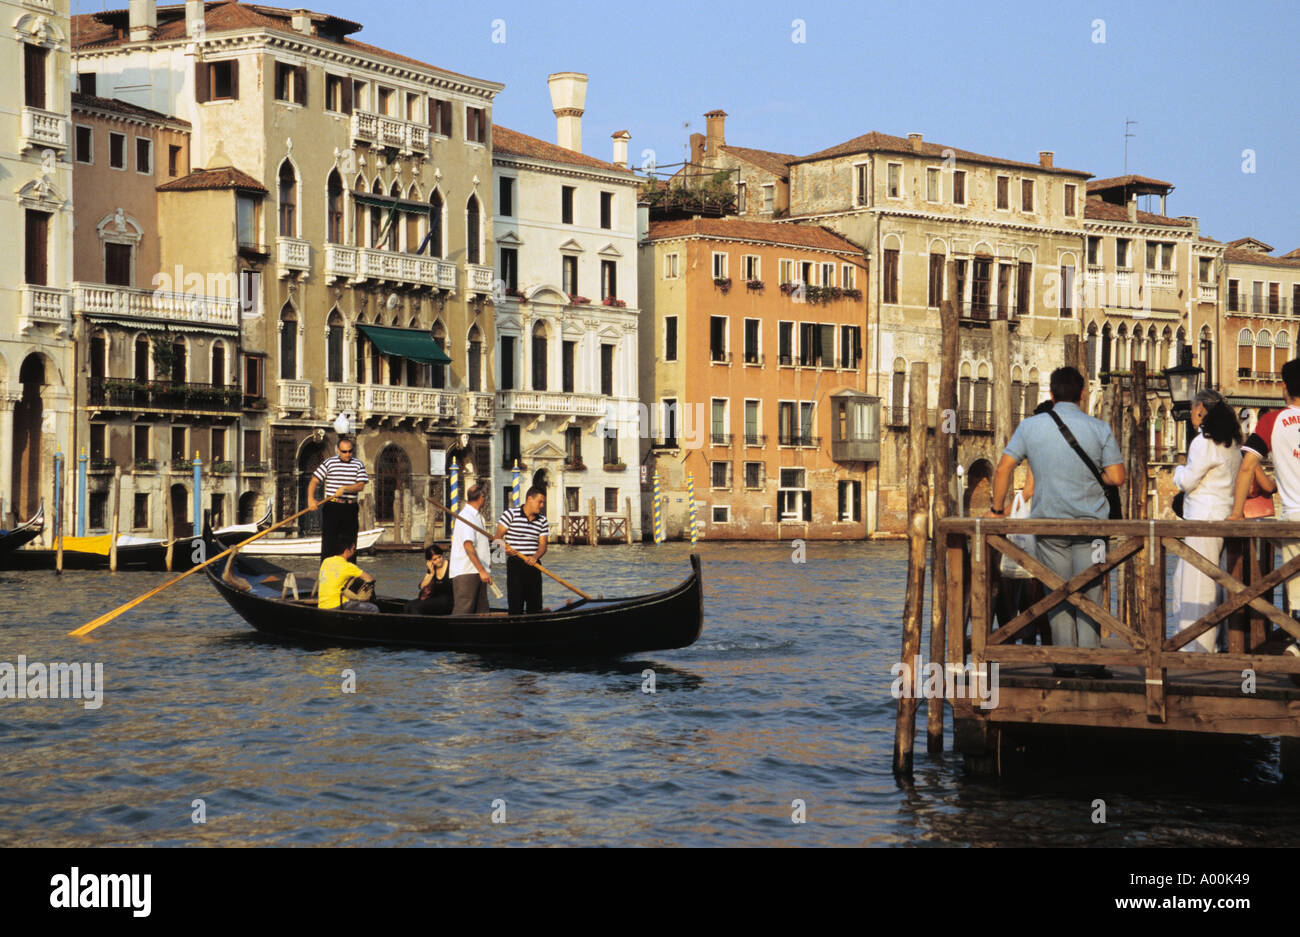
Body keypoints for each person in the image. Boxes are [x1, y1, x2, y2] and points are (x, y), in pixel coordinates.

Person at [990, 366, 1125, 677]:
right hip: (1093, 528)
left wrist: (998, 511)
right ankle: (1090, 663)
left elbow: (1003, 469)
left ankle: (1064, 662)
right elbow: (1117, 477)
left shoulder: (1030, 427)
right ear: (1082, 395)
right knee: (1089, 591)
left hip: (1049, 527)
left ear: (1050, 395)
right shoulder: (1100, 427)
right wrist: (1098, 476)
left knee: (1058, 592)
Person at [1172, 390, 1244, 652]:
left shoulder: (1204, 441)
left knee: (1197, 583)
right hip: (1221, 515)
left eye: (1192, 410)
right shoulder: (1232, 442)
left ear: (1200, 408)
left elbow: (1189, 480)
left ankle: (1196, 646)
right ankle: (1210, 641)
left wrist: (1176, 472)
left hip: (1202, 519)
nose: (1191, 415)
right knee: (1209, 580)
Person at [1229, 358, 1300, 619]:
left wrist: (1237, 513)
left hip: (1294, 516)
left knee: (1297, 584)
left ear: (1284, 387)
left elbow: (1247, 466)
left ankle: (1298, 642)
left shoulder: (1272, 421)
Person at [307, 439, 368, 559]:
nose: (347, 454)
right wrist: (310, 499)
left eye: (350, 451)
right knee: (329, 542)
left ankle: (349, 573)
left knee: (350, 543)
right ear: (338, 450)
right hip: (332, 507)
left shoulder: (358, 464)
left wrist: (345, 488)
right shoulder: (329, 463)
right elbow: (314, 480)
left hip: (350, 508)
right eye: (344, 451)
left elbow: (360, 485)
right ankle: (327, 573)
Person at [495, 487, 549, 615]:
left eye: (543, 503)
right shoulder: (510, 514)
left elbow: (543, 545)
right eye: (540, 502)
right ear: (529, 499)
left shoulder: (543, 520)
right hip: (515, 564)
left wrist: (535, 557)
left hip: (534, 564)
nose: (541, 506)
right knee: (516, 604)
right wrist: (505, 550)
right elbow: (497, 539)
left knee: (535, 606)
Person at [449, 483, 493, 615]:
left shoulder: (478, 517)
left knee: (481, 610)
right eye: (485, 497)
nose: (485, 500)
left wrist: (484, 570)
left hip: (478, 571)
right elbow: (468, 546)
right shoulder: (467, 517)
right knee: (464, 609)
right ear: (481, 497)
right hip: (467, 571)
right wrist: (482, 570)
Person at [318, 538, 378, 613]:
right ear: (347, 550)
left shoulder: (326, 561)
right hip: (337, 605)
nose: (354, 551)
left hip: (322, 605)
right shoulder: (348, 566)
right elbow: (369, 579)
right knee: (373, 608)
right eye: (353, 548)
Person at [404, 544, 454, 616]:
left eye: (439, 557)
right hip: (435, 599)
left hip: (447, 600)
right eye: (435, 559)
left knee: (416, 607)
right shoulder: (432, 569)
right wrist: (431, 574)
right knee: (408, 606)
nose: (439, 560)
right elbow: (421, 586)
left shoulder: (451, 565)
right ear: (430, 561)